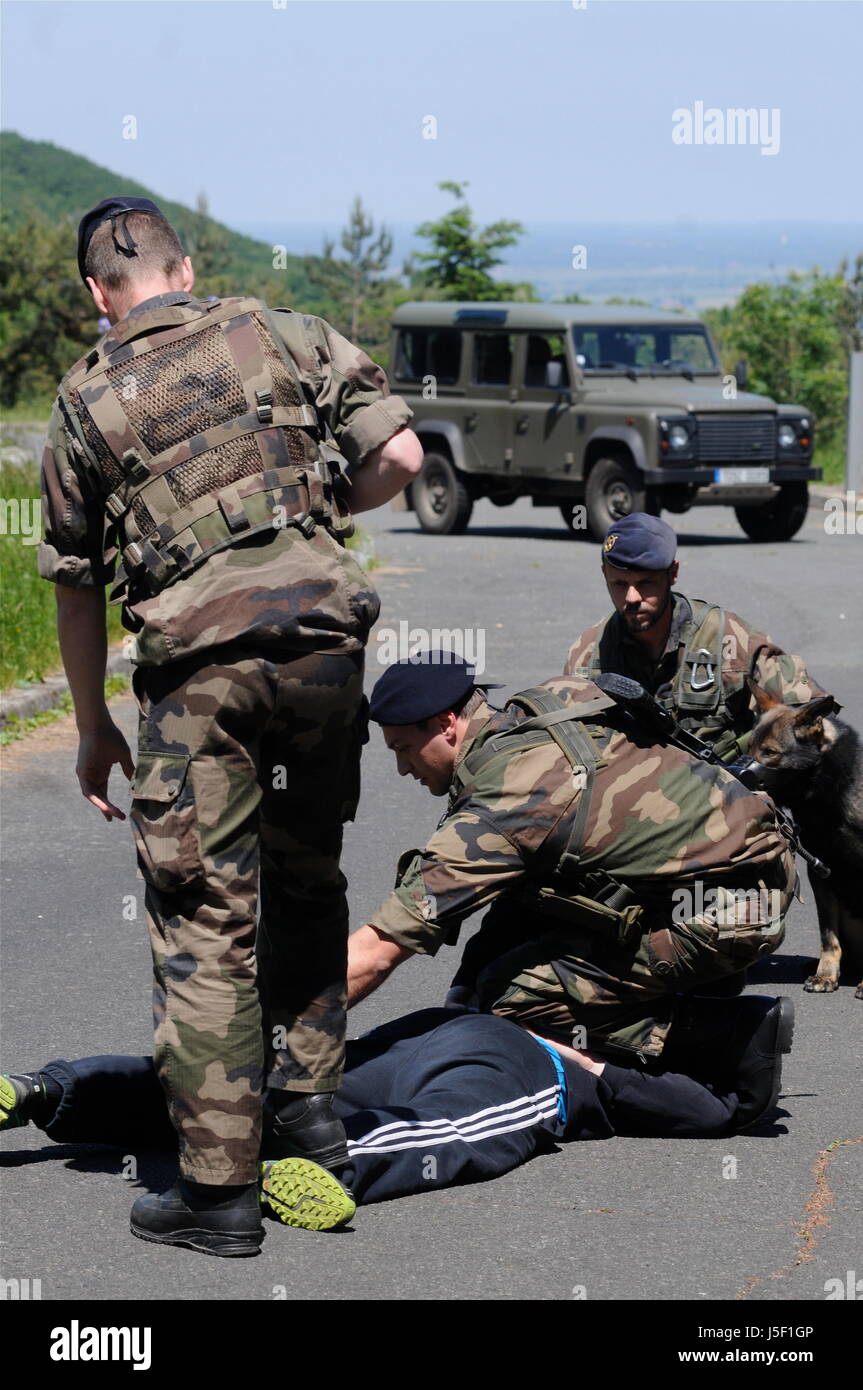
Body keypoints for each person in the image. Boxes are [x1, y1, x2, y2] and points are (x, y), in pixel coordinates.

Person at [37, 197, 423, 1256]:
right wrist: (305, 513)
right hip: (322, 654)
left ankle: (217, 1193)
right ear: (186, 266)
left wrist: (91, 726)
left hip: (200, 676)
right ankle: (309, 1122)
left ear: (95, 293)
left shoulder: (84, 399)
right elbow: (401, 457)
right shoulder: (279, 329)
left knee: (205, 916)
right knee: (305, 882)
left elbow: (73, 585)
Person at [0, 989, 793, 1241]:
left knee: (277, 1093)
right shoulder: (588, 1057)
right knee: (455, 1131)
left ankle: (47, 1088)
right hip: (514, 1060)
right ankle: (334, 1166)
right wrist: (731, 1104)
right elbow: (677, 1105)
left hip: (425, 1024)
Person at [346, 656, 796, 1075]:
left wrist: (296, 1028)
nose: (403, 768)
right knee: (513, 917)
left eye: (404, 748)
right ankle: (694, 982)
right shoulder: (552, 701)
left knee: (507, 1000)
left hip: (730, 912)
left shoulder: (508, 802)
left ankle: (728, 1037)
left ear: (446, 724)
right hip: (742, 864)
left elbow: (378, 951)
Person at [563, 513, 825, 764]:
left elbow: (808, 715)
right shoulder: (588, 656)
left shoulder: (729, 639)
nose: (632, 597)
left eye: (645, 583)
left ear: (672, 574)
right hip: (626, 799)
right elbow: (568, 742)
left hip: (723, 796)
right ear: (604, 575)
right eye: (619, 584)